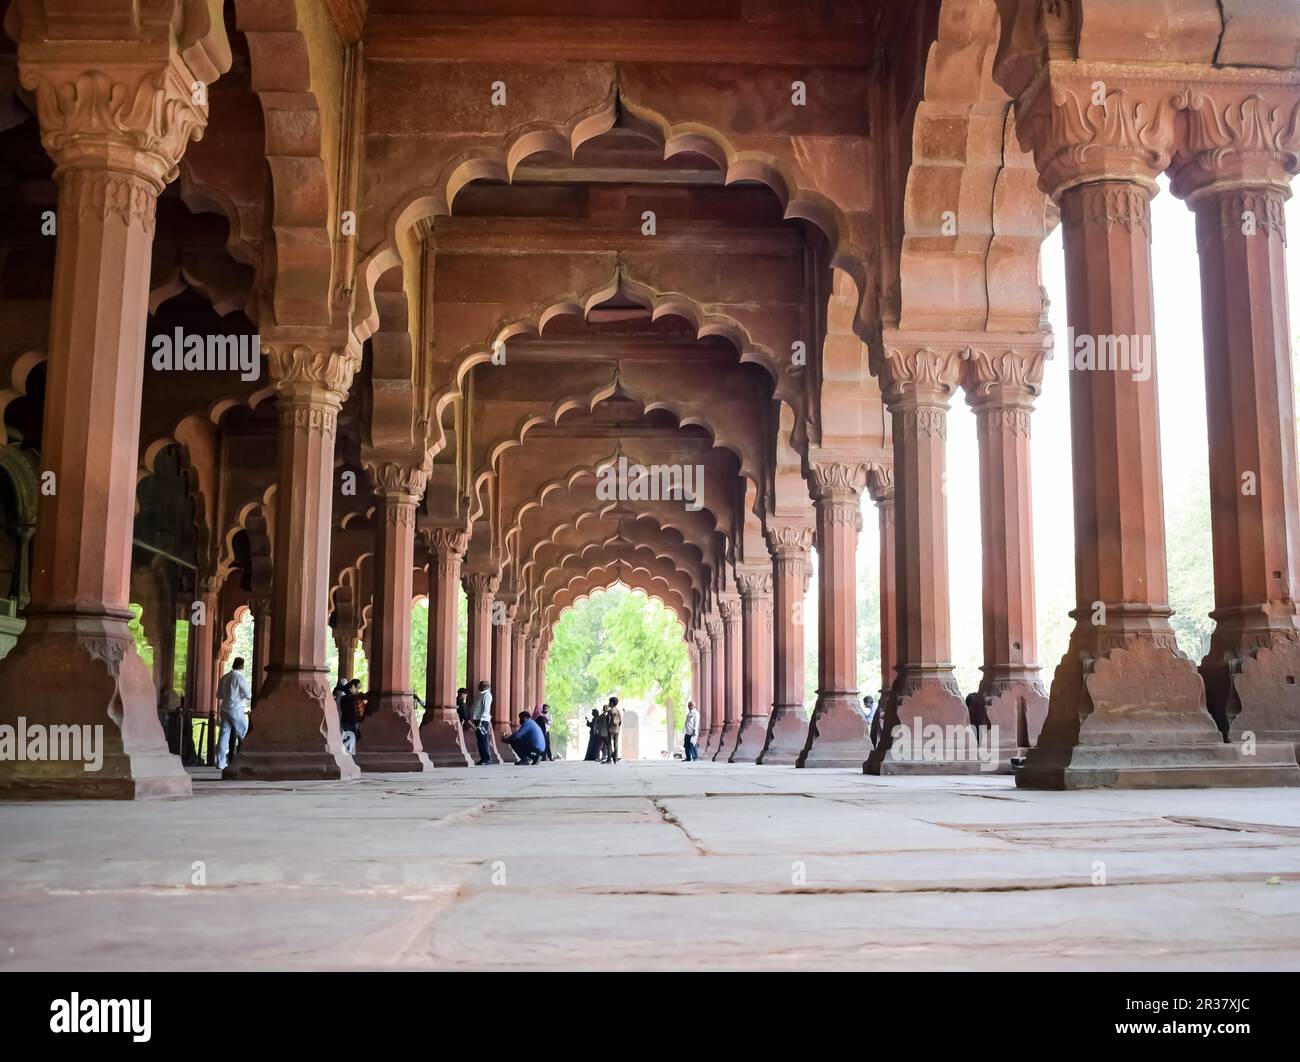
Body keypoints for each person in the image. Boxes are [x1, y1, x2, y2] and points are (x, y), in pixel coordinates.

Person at [215, 657, 252, 770]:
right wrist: (239, 696)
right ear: (242, 666)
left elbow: (219, 695)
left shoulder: (225, 677)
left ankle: (220, 763)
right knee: (245, 733)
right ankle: (248, 760)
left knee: (224, 735)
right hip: (235, 709)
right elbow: (248, 694)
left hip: (225, 709)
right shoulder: (239, 678)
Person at [469, 680, 493, 765]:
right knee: (480, 739)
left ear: (487, 686)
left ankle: (486, 758)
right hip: (478, 719)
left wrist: (481, 721)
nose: (481, 686)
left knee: (483, 739)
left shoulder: (487, 695)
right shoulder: (481, 694)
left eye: (483, 685)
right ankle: (483, 757)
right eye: (481, 684)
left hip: (483, 720)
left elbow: (486, 709)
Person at [339, 678, 362, 754]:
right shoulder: (348, 698)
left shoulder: (347, 698)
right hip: (349, 721)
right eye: (355, 688)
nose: (357, 690)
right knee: (351, 737)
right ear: (350, 688)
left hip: (348, 721)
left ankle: (346, 753)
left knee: (352, 736)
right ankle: (346, 753)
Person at [605, 696, 623, 764]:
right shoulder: (618, 711)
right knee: (616, 744)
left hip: (610, 729)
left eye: (609, 702)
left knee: (609, 743)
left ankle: (609, 759)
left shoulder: (610, 711)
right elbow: (620, 721)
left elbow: (608, 720)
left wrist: (607, 726)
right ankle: (615, 759)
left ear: (612, 703)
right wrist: (618, 727)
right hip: (617, 729)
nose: (608, 703)